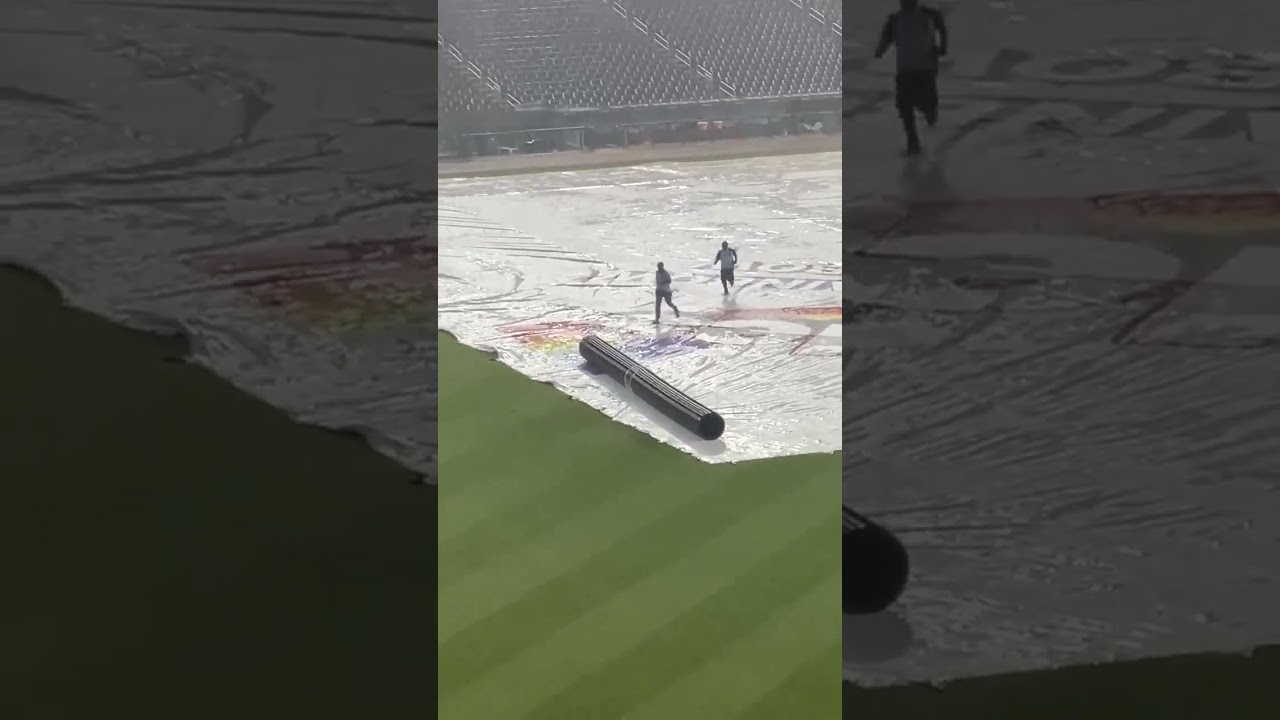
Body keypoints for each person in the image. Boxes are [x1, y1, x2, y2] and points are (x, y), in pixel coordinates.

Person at [874, 0, 948, 156]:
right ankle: (912, 141)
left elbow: (942, 28)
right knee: (904, 104)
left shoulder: (929, 15)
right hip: (906, 69)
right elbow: (886, 38)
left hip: (926, 67)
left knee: (925, 100)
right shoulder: (895, 19)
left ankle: (929, 110)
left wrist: (942, 47)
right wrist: (880, 50)